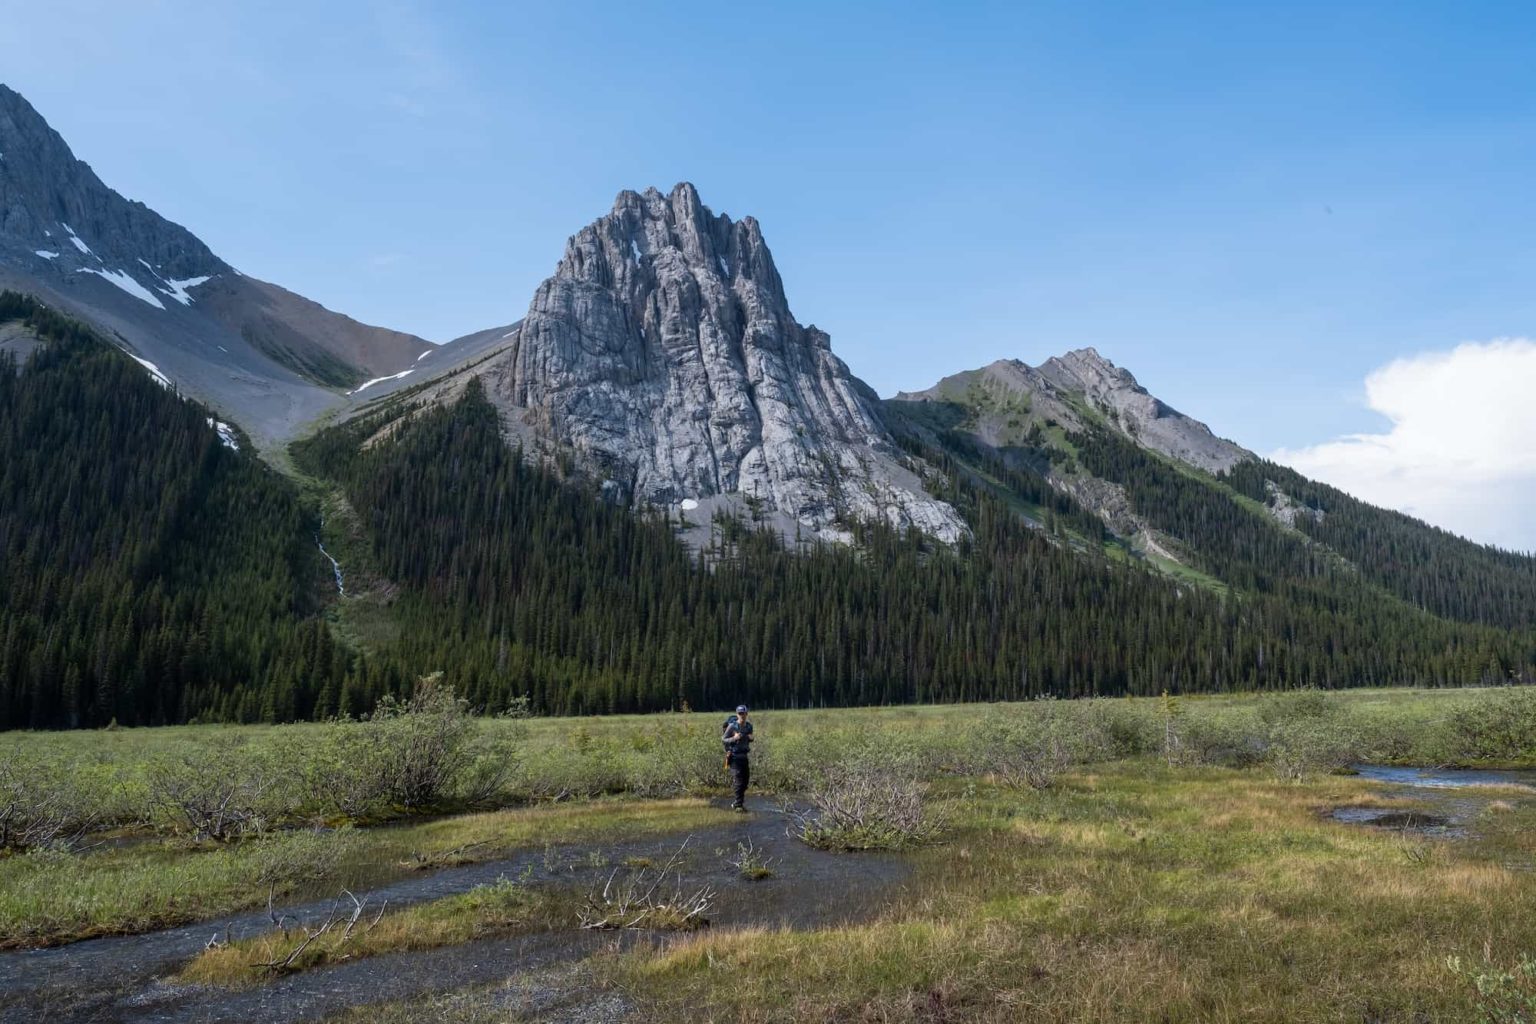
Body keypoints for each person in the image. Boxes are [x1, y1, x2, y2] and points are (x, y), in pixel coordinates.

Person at [722, 705, 754, 811]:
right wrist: (734, 738)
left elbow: (750, 737)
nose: (742, 716)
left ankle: (738, 802)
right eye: (740, 714)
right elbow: (724, 739)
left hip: (744, 757)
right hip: (734, 757)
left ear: (746, 714)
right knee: (739, 780)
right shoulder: (732, 726)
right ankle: (738, 804)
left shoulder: (749, 726)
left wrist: (751, 738)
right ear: (737, 714)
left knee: (745, 781)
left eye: (743, 713)